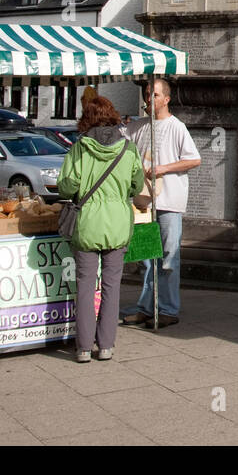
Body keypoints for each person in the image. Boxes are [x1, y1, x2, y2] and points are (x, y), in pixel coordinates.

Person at [58, 96, 143, 363]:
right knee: (111, 285)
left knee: (84, 285)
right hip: (118, 223)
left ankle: (83, 347)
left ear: (86, 118)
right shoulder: (129, 149)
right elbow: (137, 185)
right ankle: (106, 344)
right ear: (113, 115)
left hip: (87, 224)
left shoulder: (79, 149)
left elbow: (67, 187)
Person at [121, 79, 200, 330]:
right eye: (147, 94)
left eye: (154, 95)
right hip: (144, 201)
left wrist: (163, 168)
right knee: (145, 257)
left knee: (167, 258)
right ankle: (146, 306)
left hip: (169, 201)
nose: (149, 99)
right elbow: (122, 147)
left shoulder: (177, 127)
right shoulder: (138, 127)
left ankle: (167, 308)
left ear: (166, 99)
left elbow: (193, 159)